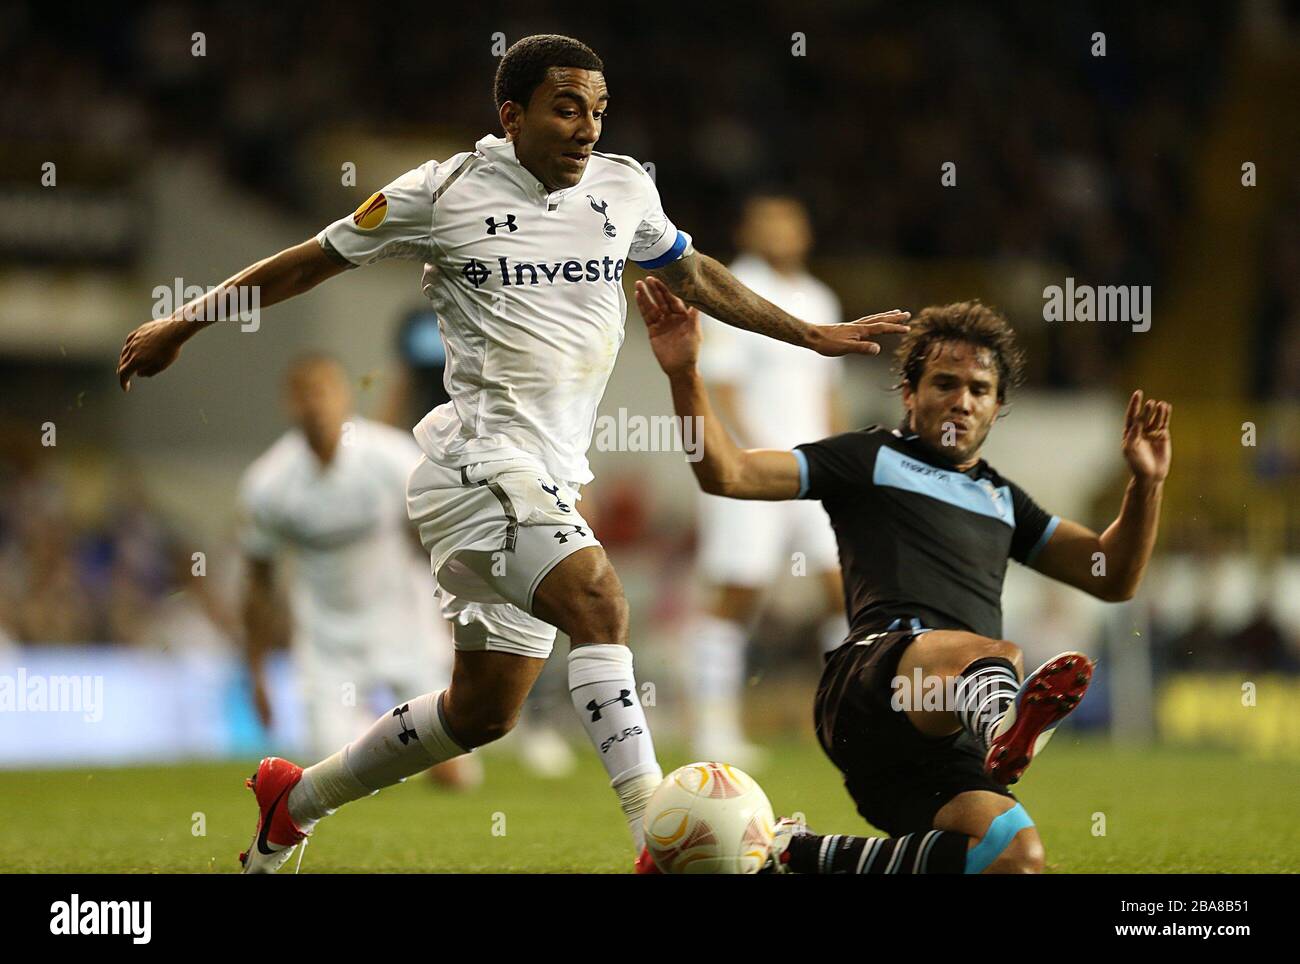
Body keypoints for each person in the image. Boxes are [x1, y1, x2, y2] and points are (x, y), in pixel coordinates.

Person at [116, 33, 908, 874]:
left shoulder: (624, 185)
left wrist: (812, 335)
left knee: (483, 711)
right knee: (599, 601)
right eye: (566, 108)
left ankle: (293, 803)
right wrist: (184, 320)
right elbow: (310, 262)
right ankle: (655, 837)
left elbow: (695, 272)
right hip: (476, 464)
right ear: (512, 114)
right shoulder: (441, 190)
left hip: (552, 477)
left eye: (598, 111)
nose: (585, 129)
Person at [637, 280, 1171, 874]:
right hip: (871, 685)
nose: (962, 401)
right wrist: (685, 372)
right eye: (944, 384)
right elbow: (728, 474)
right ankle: (1006, 722)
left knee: (1013, 860)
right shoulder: (868, 459)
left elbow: (1112, 577)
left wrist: (1145, 485)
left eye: (979, 389)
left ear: (998, 407)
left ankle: (793, 853)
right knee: (992, 652)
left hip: (937, 748)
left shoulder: (1002, 499)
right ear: (909, 393)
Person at [239, 355, 477, 791]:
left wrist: (455, 619)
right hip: (327, 647)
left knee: (452, 773)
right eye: (303, 394)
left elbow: (436, 543)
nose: (315, 404)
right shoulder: (269, 483)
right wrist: (255, 673)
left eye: (324, 390)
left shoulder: (391, 458)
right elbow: (258, 584)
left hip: (406, 629)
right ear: (288, 404)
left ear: (345, 395)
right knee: (336, 778)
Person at [691, 193, 848, 766]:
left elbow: (827, 395)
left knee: (846, 590)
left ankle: (847, 723)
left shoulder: (819, 297)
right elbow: (722, 386)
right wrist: (753, 457)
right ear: (747, 229)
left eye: (790, 219)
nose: (780, 230)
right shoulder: (732, 288)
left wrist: (842, 459)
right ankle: (713, 730)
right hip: (751, 470)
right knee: (739, 593)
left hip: (814, 471)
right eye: (768, 220)